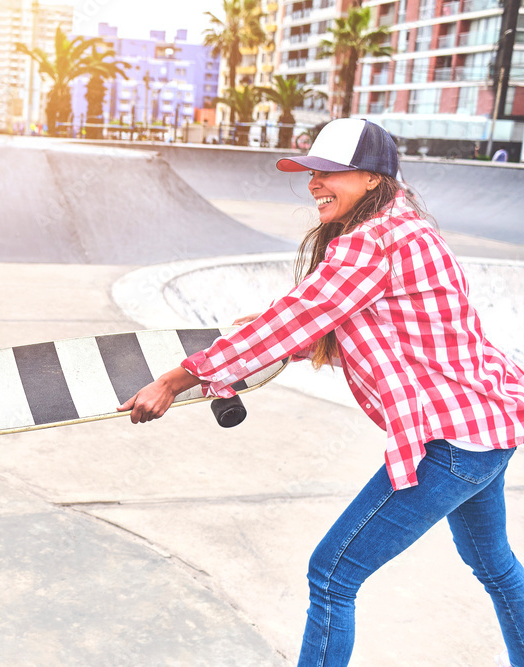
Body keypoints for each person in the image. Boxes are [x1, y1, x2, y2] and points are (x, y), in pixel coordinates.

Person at [119, 118, 524, 666]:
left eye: (330, 173)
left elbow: (300, 317)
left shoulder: (373, 242)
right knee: (496, 568)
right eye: (312, 172)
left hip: (451, 444)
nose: (314, 184)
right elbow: (365, 322)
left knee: (332, 574)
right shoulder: (409, 228)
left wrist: (175, 378)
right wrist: (278, 332)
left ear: (374, 179)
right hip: (489, 425)